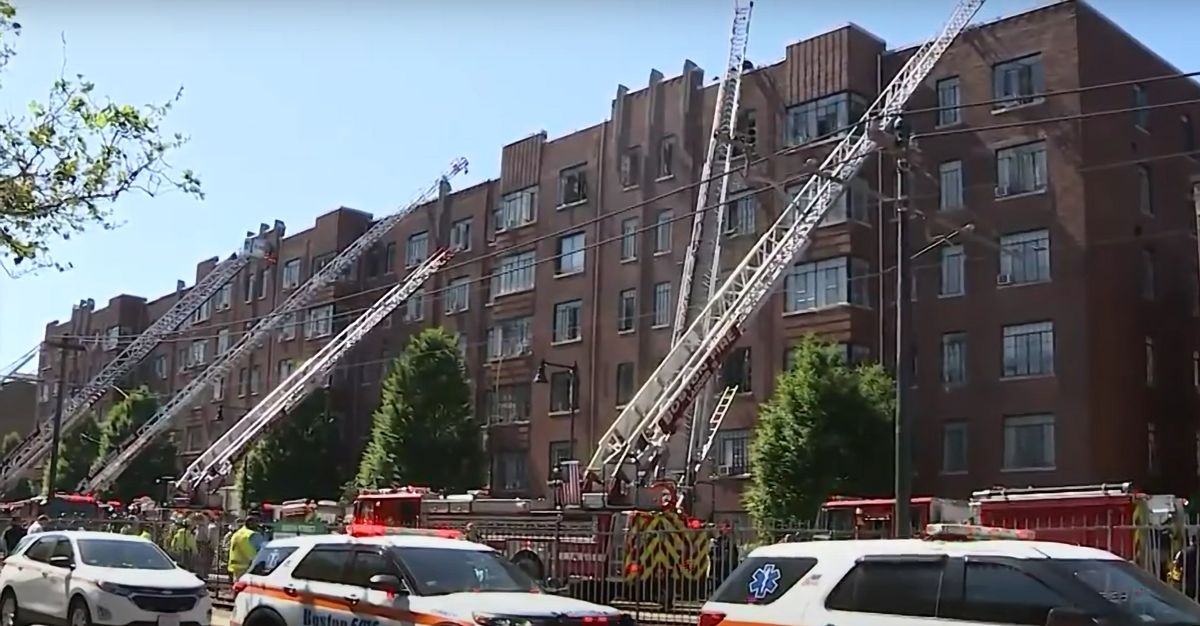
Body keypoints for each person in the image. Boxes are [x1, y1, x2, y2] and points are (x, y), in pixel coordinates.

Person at [227, 515, 264, 582]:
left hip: (236, 567)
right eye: (257, 522)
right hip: (248, 567)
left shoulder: (237, 533)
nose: (258, 525)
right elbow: (261, 550)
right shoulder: (253, 535)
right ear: (251, 523)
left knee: (238, 587)